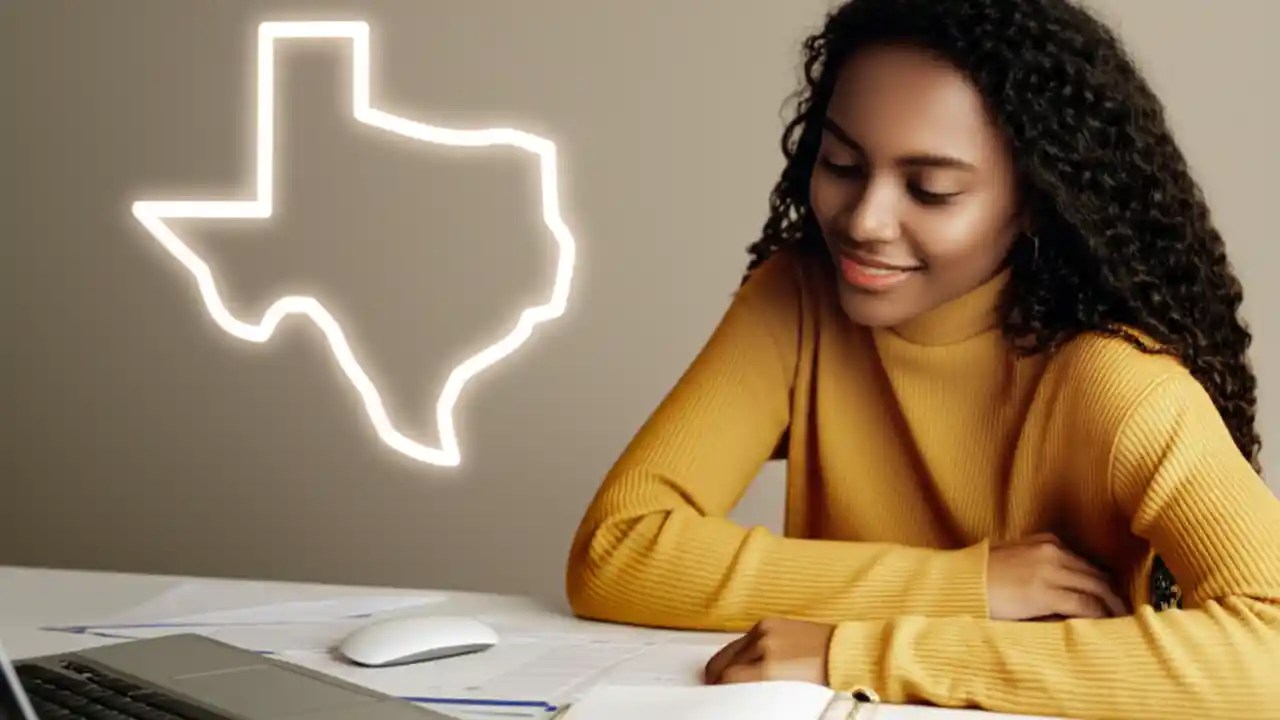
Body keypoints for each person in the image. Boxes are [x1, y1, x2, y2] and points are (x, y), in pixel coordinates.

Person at [563, 0, 1280, 717]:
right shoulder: (799, 300)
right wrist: (968, 587)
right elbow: (617, 551)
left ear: (1034, 200)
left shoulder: (1115, 380)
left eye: (930, 190)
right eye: (840, 164)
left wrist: (855, 653)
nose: (863, 222)